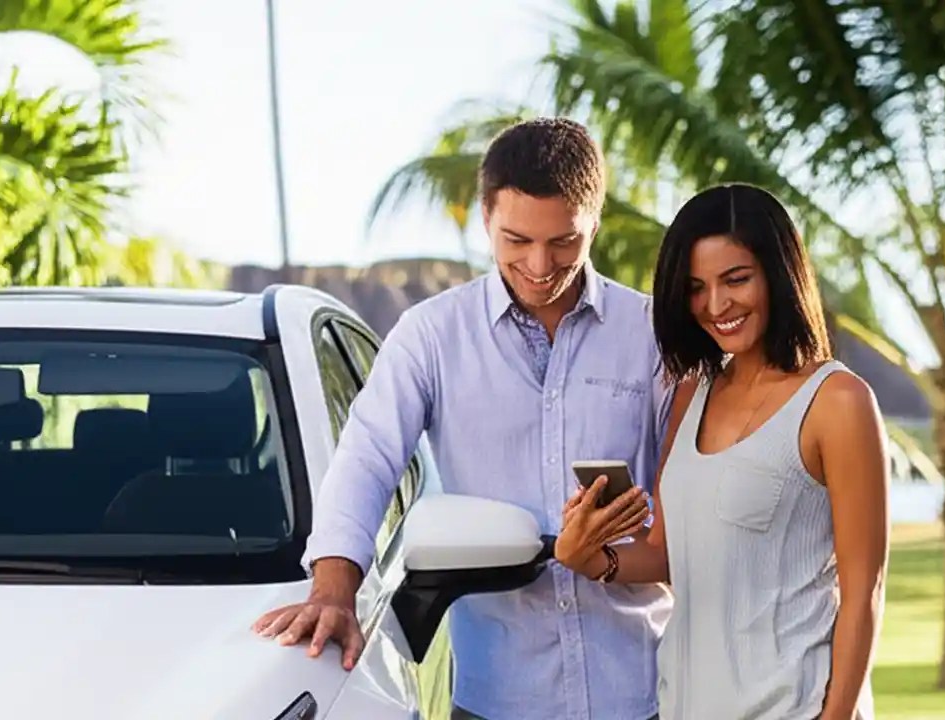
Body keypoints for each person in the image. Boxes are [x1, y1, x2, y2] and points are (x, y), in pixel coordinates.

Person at [251, 117, 671, 720]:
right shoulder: (431, 334)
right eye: (516, 240)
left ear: (594, 224)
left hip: (641, 692)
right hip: (499, 697)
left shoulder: (653, 336)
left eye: (563, 242)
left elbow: (698, 484)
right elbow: (367, 459)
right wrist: (334, 590)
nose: (540, 264)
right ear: (485, 220)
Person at [555, 183, 890, 720]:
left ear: (779, 272)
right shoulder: (691, 394)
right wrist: (591, 556)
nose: (717, 306)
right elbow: (669, 554)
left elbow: (864, 591)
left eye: (736, 279)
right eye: (696, 287)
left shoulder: (838, 402)